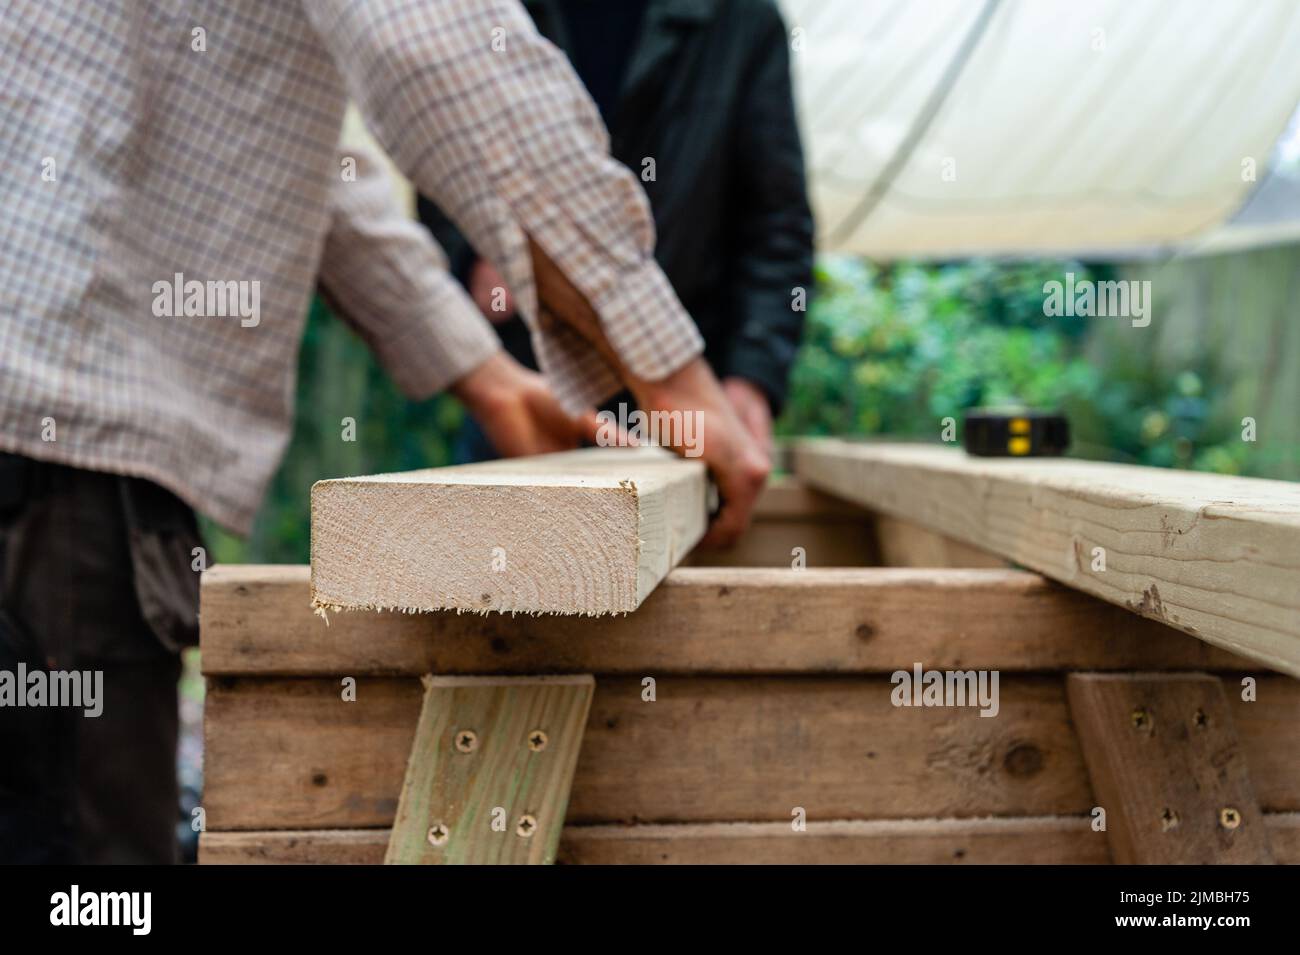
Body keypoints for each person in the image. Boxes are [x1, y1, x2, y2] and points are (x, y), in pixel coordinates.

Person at [0, 0, 768, 863]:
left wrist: (490, 379)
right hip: (52, 456)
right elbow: (437, 44)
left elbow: (312, 171)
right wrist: (670, 369)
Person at [421, 0, 814, 465]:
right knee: (507, 528)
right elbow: (432, 152)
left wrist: (751, 375)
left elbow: (777, 222)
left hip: (690, 391)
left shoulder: (741, 20)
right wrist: (470, 257)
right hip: (531, 376)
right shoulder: (481, 12)